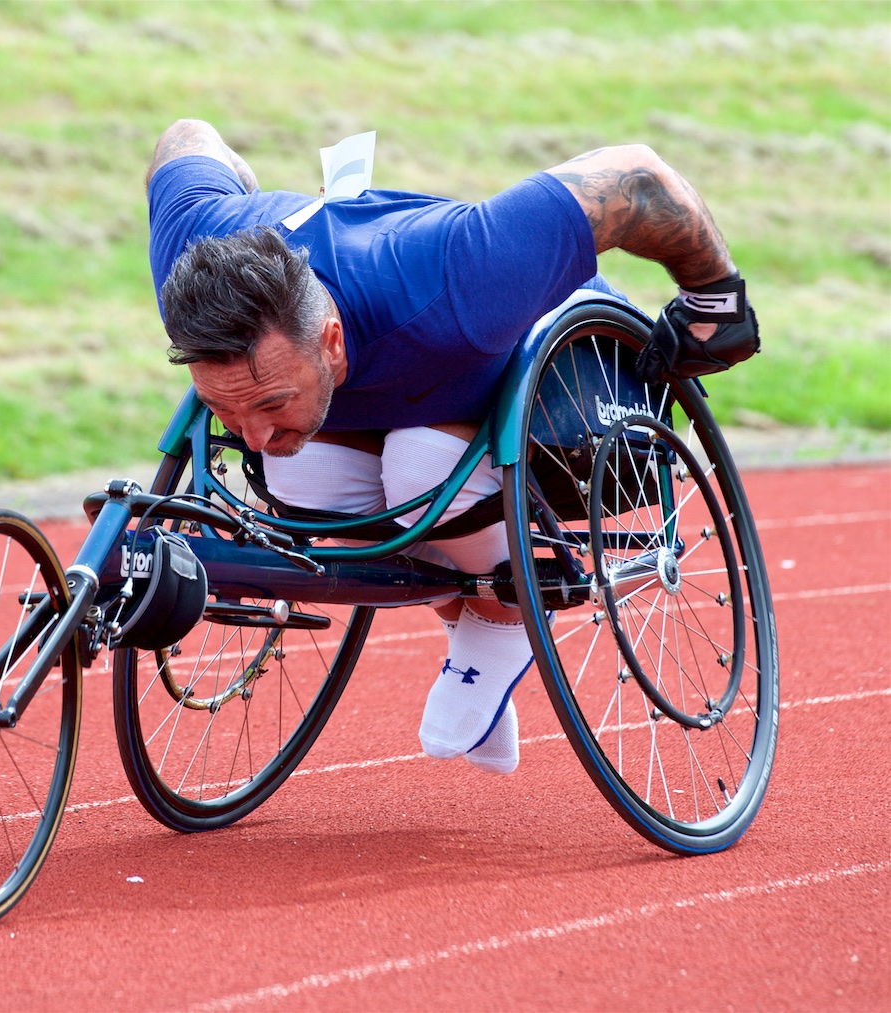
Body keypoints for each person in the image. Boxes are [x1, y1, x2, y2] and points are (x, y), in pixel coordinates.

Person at [145, 118, 759, 775]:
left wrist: (715, 301)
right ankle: (467, 624)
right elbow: (185, 137)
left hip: (530, 367)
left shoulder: (464, 272)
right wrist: (249, 255)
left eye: (269, 403)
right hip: (388, 382)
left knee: (421, 465)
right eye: (223, 409)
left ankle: (501, 622)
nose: (254, 435)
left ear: (328, 340)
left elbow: (638, 178)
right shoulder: (194, 253)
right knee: (298, 481)